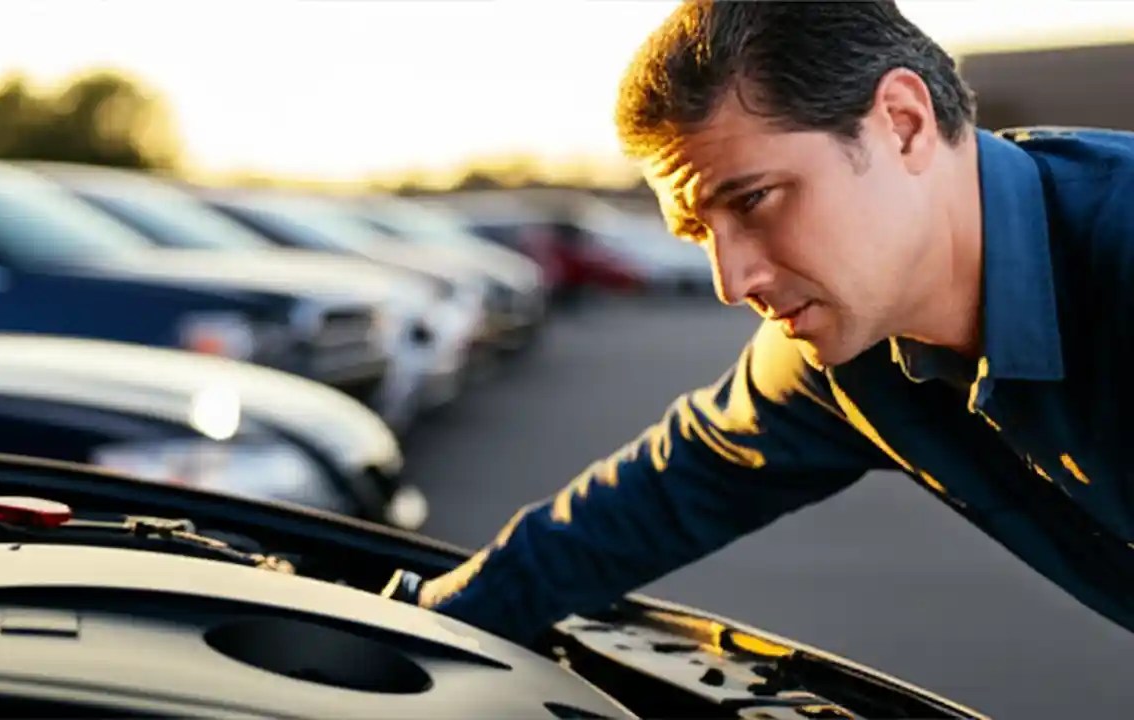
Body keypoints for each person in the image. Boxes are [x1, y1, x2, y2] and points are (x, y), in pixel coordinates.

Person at [404, 0, 1134, 645]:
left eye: (753, 201)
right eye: (697, 230)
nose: (731, 281)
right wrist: (414, 625)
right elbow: (656, 494)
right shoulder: (845, 353)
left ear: (903, 126)